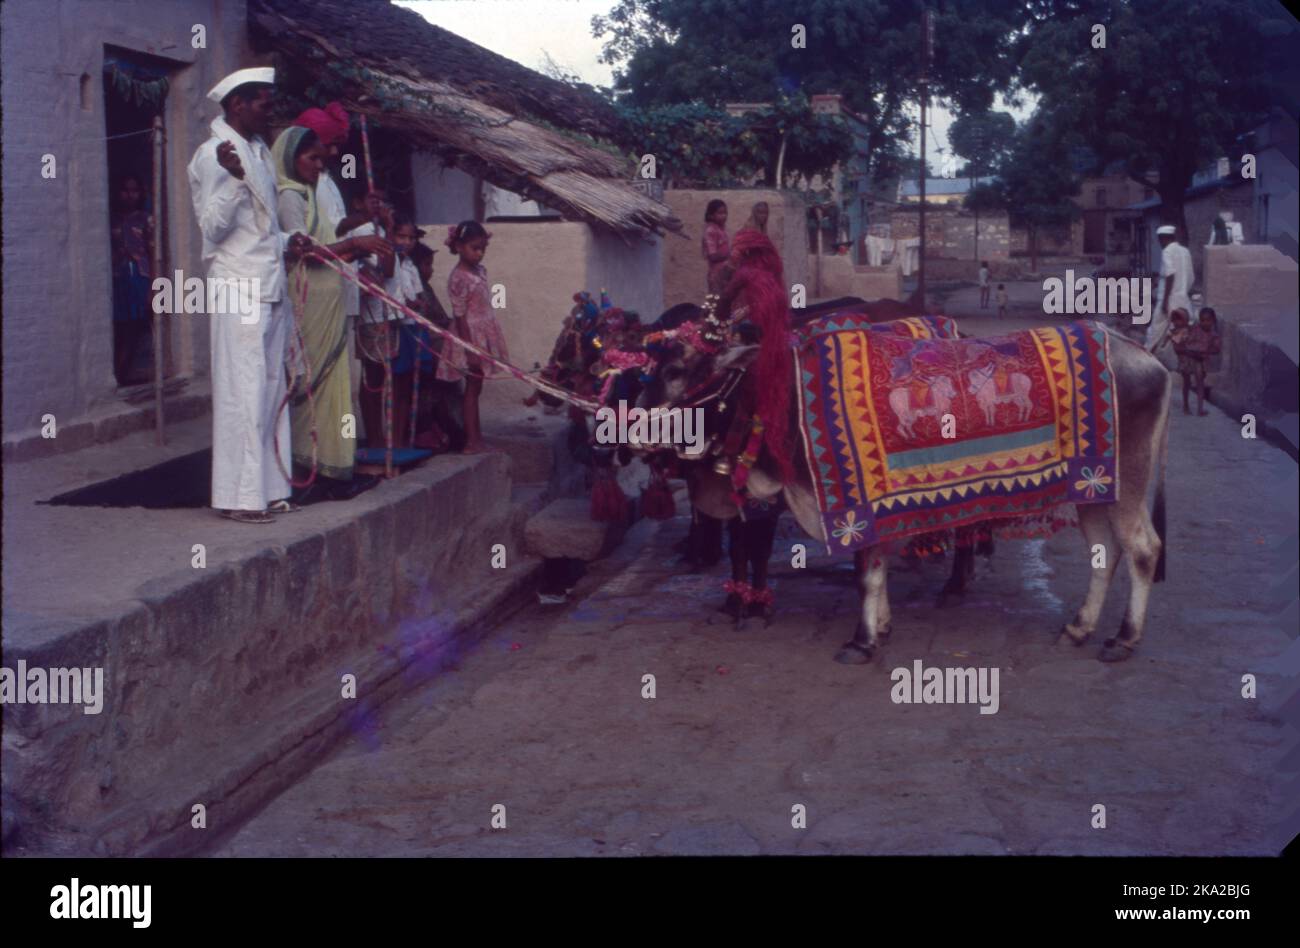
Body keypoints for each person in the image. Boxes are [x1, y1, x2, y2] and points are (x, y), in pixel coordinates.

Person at [188, 67, 310, 524]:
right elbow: (214, 229)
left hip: (269, 283)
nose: (270, 109)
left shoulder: (258, 151)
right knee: (243, 390)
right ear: (237, 104)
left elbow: (260, 230)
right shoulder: (212, 154)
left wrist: (287, 242)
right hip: (238, 286)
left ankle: (270, 489)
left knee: (270, 387)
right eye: (262, 101)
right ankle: (240, 497)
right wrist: (235, 179)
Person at [272, 125, 389, 496]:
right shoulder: (290, 196)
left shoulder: (310, 192)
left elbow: (328, 239)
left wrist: (357, 241)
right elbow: (304, 250)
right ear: (291, 159)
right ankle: (310, 467)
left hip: (330, 296)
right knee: (313, 383)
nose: (319, 165)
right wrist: (354, 243)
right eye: (312, 158)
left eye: (322, 158)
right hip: (310, 298)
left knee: (338, 385)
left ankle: (337, 467)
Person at [438, 220, 510, 454]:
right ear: (459, 246)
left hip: (482, 330)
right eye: (474, 248)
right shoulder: (458, 277)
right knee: (471, 387)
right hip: (468, 335)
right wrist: (470, 349)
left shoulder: (480, 271)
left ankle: (476, 437)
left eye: (482, 249)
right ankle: (471, 441)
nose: (479, 254)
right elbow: (459, 316)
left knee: (476, 387)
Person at [110, 174, 154, 385]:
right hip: (119, 279)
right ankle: (119, 374)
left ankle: (124, 374)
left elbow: (153, 252)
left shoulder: (145, 219)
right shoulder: (111, 219)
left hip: (140, 277)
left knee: (136, 327)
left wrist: (153, 287)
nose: (130, 195)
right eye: (125, 190)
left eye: (134, 190)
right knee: (120, 326)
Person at [1147, 224, 1194, 349]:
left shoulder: (1167, 251)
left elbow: (1170, 275)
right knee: (1179, 330)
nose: (1160, 244)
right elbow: (1190, 277)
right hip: (1183, 298)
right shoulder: (1185, 251)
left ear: (1163, 238)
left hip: (1168, 299)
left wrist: (1165, 301)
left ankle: (1147, 355)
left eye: (1159, 240)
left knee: (1155, 330)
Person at [702, 199, 730, 294]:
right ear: (711, 215)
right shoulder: (711, 230)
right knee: (715, 305)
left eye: (725, 213)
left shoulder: (721, 229)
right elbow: (712, 256)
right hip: (716, 275)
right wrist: (730, 253)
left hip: (724, 274)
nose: (724, 216)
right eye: (720, 213)